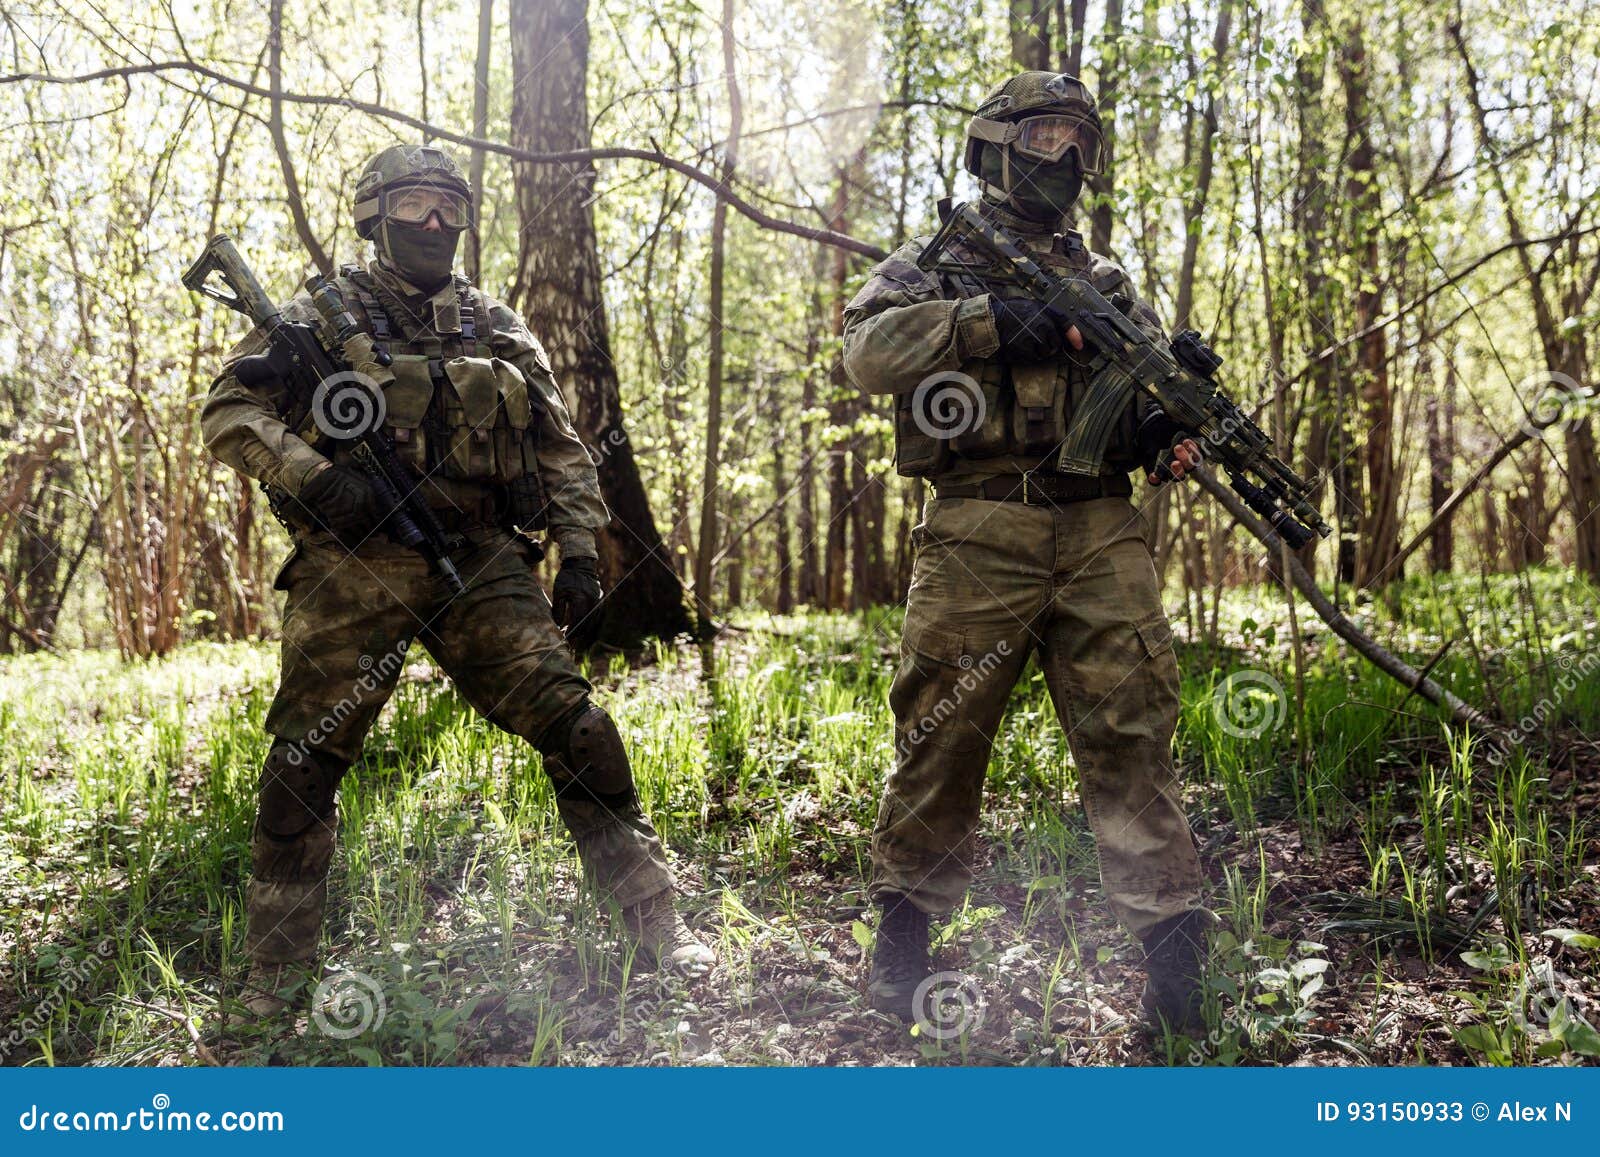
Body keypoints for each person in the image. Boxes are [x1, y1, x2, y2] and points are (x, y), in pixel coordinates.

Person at [201, 144, 714, 1016]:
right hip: (353, 561)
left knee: (579, 728)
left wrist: (581, 547)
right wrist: (319, 479)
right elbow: (228, 411)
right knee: (303, 759)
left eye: (449, 206)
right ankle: (276, 976)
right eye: (413, 205)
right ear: (374, 215)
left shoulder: (497, 325)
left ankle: (658, 923)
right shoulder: (315, 320)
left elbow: (558, 444)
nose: (435, 223)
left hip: (480, 558)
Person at [841, 73, 1212, 1033]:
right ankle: (902, 952)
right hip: (977, 526)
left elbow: (1126, 412)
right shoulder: (937, 260)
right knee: (941, 740)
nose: (1067, 156)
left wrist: (1161, 428)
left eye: (1082, 139)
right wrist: (992, 322)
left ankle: (1174, 972)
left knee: (1134, 737)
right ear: (995, 146)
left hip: (1100, 527)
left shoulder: (1107, 281)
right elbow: (866, 354)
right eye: (1046, 134)